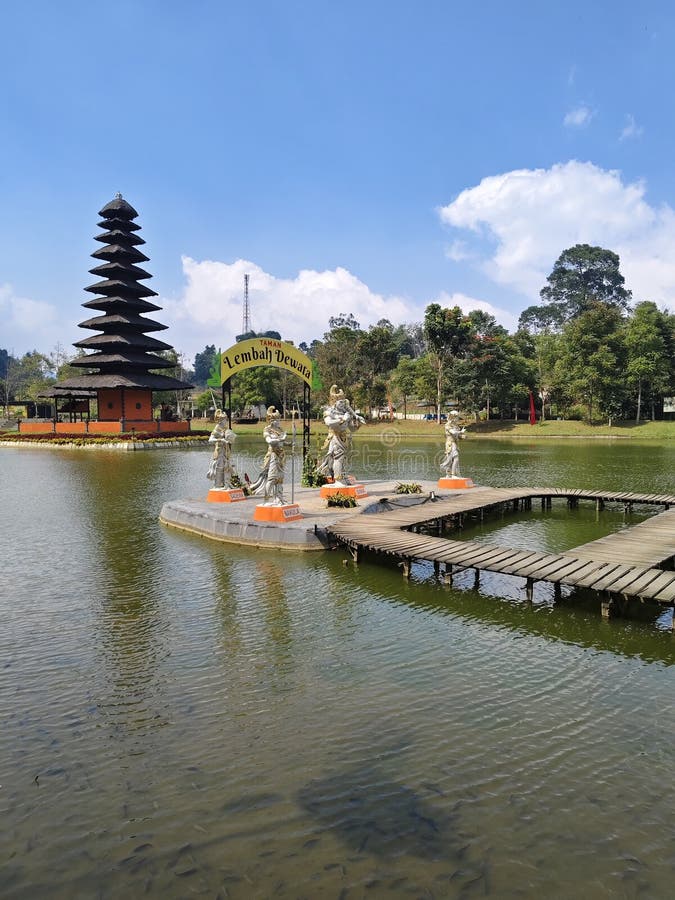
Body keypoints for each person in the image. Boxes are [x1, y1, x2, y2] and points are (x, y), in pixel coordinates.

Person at [317, 385, 365, 485]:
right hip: (335, 438)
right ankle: (338, 480)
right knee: (338, 458)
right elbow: (329, 423)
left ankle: (342, 476)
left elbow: (352, 429)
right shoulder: (329, 412)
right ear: (335, 402)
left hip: (344, 438)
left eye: (344, 402)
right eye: (340, 402)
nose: (343, 404)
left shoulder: (345, 413)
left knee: (343, 459)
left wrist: (358, 422)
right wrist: (343, 419)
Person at [249, 406, 289, 505]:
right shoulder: (267, 430)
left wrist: (289, 443)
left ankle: (278, 498)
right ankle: (266, 500)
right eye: (276, 419)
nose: (278, 421)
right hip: (273, 456)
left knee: (279, 479)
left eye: (279, 419)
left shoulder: (280, 429)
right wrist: (281, 439)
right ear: (271, 420)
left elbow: (283, 442)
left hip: (281, 456)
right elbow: (270, 441)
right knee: (271, 479)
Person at [207, 410, 236, 489]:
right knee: (219, 467)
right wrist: (220, 440)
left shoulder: (225, 428)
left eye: (226, 419)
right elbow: (210, 439)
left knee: (227, 467)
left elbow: (230, 437)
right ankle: (217, 485)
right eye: (224, 420)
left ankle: (227, 485)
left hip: (226, 450)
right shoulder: (217, 428)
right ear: (220, 421)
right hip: (219, 451)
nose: (226, 421)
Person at [440, 412, 466, 478]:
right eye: (457, 417)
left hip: (455, 443)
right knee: (455, 458)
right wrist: (461, 432)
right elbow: (453, 432)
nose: (458, 419)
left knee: (451, 459)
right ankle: (453, 474)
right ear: (453, 417)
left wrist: (462, 436)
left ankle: (449, 475)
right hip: (450, 444)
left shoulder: (456, 426)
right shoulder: (448, 425)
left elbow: (457, 436)